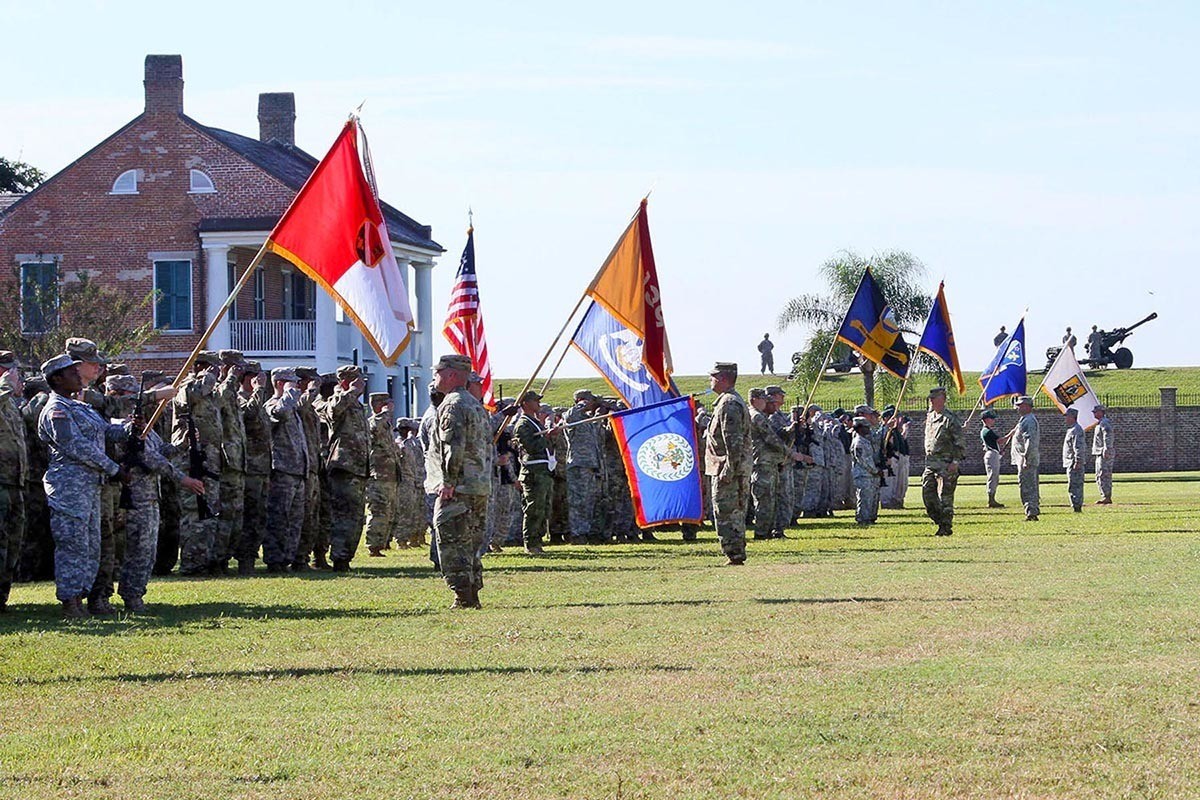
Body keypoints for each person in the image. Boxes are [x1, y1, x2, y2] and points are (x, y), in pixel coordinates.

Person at [38, 354, 123, 618]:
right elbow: (76, 446)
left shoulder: (81, 407)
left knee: (90, 546)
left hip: (90, 488)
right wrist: (114, 468)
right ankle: (70, 601)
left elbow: (107, 431)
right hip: (69, 488)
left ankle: (84, 596)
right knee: (72, 546)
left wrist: (132, 428)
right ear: (57, 379)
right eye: (71, 373)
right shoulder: (56, 410)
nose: (78, 376)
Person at [111, 374, 204, 612]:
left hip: (151, 496)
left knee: (148, 550)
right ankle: (130, 595)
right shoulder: (118, 427)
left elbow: (160, 450)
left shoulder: (144, 427)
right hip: (133, 498)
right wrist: (183, 479)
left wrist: (183, 442)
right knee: (137, 549)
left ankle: (137, 593)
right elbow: (149, 458)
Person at [432, 354, 491, 608]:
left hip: (460, 485)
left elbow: (452, 447)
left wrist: (448, 480)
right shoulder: (475, 404)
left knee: (452, 539)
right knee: (472, 541)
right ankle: (472, 594)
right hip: (478, 484)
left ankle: (463, 596)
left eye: (438, 373)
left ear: (451, 375)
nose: (435, 378)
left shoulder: (453, 404)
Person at [170, 350, 223, 576]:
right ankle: (191, 563)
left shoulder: (210, 393)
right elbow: (191, 395)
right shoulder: (188, 385)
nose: (218, 373)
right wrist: (208, 377)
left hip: (209, 460)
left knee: (208, 512)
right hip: (190, 459)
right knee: (193, 512)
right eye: (214, 369)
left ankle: (204, 559)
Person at [316, 365, 370, 572]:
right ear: (346, 381)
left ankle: (346, 557)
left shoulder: (355, 403)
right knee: (344, 515)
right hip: (344, 466)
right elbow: (333, 411)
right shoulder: (339, 398)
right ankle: (339, 558)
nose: (362, 384)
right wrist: (350, 391)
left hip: (358, 467)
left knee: (355, 517)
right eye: (358, 380)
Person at [704, 362, 751, 565]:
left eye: (713, 377)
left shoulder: (728, 404)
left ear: (723, 378)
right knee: (730, 510)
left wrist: (729, 469)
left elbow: (733, 440)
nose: (710, 380)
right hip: (726, 466)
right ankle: (735, 552)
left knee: (727, 511)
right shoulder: (727, 402)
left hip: (727, 468)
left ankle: (734, 553)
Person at [214, 350, 247, 575]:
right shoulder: (219, 388)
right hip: (226, 461)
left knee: (236, 516)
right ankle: (217, 560)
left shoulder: (234, 393)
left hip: (238, 462)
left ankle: (226, 558)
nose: (240, 371)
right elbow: (218, 402)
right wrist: (229, 378)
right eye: (236, 367)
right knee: (225, 515)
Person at [0, 352, 27, 612]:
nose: (21, 382)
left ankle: (3, 598)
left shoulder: (11, 405)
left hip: (15, 484)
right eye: (17, 375)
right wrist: (6, 384)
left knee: (12, 543)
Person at [238, 362, 271, 575]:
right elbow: (249, 415)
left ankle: (252, 555)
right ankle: (245, 559)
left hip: (263, 466)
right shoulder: (239, 398)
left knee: (259, 515)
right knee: (249, 515)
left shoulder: (259, 400)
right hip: (249, 465)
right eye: (255, 377)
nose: (260, 381)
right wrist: (258, 390)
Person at [513, 390, 553, 554]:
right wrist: (547, 437)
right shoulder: (523, 424)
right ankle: (530, 543)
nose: (538, 403)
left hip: (543, 469)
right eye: (535, 401)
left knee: (543, 507)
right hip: (532, 470)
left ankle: (538, 540)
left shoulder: (534, 422)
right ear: (525, 403)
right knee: (533, 508)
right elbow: (531, 446)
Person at [921, 386, 965, 536]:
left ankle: (945, 527)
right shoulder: (930, 417)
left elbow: (960, 442)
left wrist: (956, 461)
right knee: (928, 495)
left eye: (935, 398)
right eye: (931, 399)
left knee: (945, 497)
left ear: (943, 399)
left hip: (946, 464)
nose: (931, 401)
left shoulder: (950, 418)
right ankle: (939, 521)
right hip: (931, 463)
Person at [563, 389, 604, 545]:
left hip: (591, 466)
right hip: (578, 465)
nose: (592, 403)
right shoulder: (573, 417)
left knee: (589, 501)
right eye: (589, 400)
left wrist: (600, 410)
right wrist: (583, 403)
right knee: (578, 502)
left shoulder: (587, 420)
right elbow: (569, 415)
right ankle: (577, 533)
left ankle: (587, 531)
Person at [365, 393, 401, 557]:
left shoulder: (386, 425)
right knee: (379, 510)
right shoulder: (374, 421)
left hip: (390, 476)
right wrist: (385, 412)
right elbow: (374, 427)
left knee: (389, 511)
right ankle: (373, 545)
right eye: (387, 404)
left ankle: (383, 542)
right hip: (378, 475)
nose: (392, 406)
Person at [748, 389, 787, 540]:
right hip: (761, 463)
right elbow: (771, 439)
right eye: (763, 399)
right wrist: (790, 453)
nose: (766, 403)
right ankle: (761, 533)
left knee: (771, 500)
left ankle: (768, 531)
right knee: (764, 500)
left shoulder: (761, 416)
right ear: (754, 400)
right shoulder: (756, 416)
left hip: (768, 462)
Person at [1003, 395, 1040, 521]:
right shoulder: (1024, 420)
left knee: (1027, 486)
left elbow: (1030, 440)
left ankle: (1031, 512)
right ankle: (1032, 509)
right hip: (1024, 459)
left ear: (1026, 406)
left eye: (1019, 405)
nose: (1017, 408)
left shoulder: (1028, 421)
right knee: (1028, 485)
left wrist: (1026, 458)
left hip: (1026, 459)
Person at [850, 417, 880, 525]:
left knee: (872, 497)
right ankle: (862, 518)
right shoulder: (859, 442)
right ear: (860, 428)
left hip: (870, 475)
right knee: (864, 498)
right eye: (866, 427)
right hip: (863, 474)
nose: (868, 429)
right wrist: (875, 470)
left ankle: (870, 517)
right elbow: (864, 460)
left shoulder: (866, 441)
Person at [1062, 408, 1085, 513]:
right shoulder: (1071, 429)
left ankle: (1077, 505)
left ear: (1072, 417)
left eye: (1067, 416)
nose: (1065, 418)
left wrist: (1078, 460)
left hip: (1073, 462)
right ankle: (1075, 504)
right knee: (1072, 484)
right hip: (1069, 461)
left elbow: (1078, 446)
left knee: (1075, 484)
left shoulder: (1076, 429)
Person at [979, 409, 1004, 508]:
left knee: (994, 477)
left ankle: (992, 498)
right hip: (991, 455)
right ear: (986, 420)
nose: (993, 420)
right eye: (992, 419)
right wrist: (1012, 433)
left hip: (993, 454)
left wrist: (999, 451)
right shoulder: (987, 431)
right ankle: (991, 500)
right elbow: (1000, 441)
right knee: (993, 477)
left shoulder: (986, 431)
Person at [1092, 403, 1115, 504]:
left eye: (1096, 412)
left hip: (1103, 452)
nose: (1094, 414)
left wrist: (1106, 448)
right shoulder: (1100, 423)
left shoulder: (1104, 423)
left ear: (1101, 412)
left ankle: (1106, 496)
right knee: (1099, 474)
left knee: (1104, 474)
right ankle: (1104, 495)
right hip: (1099, 452)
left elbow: (1108, 435)